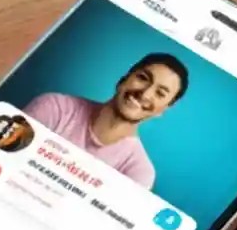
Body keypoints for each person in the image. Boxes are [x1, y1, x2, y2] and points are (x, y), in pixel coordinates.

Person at [23, 53, 188, 189]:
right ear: (124, 79)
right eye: (143, 78)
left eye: (160, 93)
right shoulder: (54, 108)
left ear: (163, 109)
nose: (144, 94)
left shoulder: (139, 171)